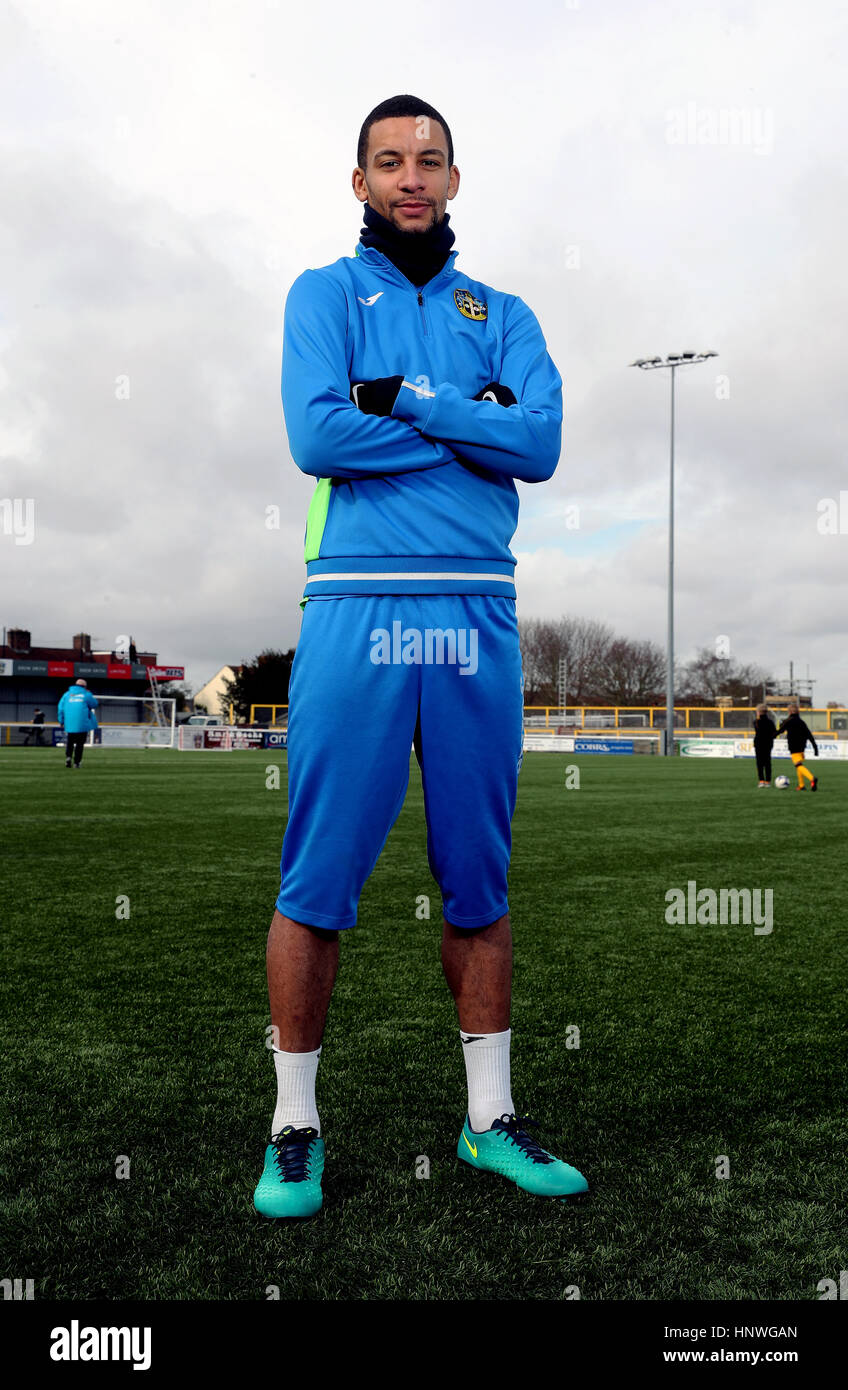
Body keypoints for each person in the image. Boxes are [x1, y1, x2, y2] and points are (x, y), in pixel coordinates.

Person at [253, 94, 588, 1221]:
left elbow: (536, 442)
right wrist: (466, 420)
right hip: (354, 607)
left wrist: (408, 400)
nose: (410, 177)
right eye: (388, 161)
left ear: (453, 180)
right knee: (317, 879)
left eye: (428, 160)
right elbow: (314, 431)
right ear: (359, 183)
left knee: (477, 877)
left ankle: (487, 1120)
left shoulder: (505, 312)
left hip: (473, 613)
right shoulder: (321, 294)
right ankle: (293, 1123)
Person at [775, 702, 819, 791]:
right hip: (802, 746)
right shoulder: (802, 722)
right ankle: (801, 785)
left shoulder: (788, 721)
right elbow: (809, 735)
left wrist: (770, 736)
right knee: (799, 764)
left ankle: (812, 778)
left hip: (793, 746)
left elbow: (780, 731)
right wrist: (815, 747)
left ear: (789, 712)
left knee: (798, 765)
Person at [57, 679, 99, 769]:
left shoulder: (66, 694)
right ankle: (77, 762)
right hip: (82, 722)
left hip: (69, 722)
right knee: (80, 743)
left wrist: (61, 721)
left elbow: (60, 708)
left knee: (70, 741)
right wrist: (90, 694)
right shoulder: (86, 694)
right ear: (84, 686)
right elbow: (95, 704)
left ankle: (68, 757)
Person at [752, 702, 776, 787]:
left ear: (758, 712)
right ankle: (768, 781)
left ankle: (761, 780)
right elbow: (774, 733)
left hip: (759, 744)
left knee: (759, 763)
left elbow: (757, 728)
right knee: (767, 762)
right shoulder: (770, 722)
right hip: (768, 744)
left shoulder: (756, 722)